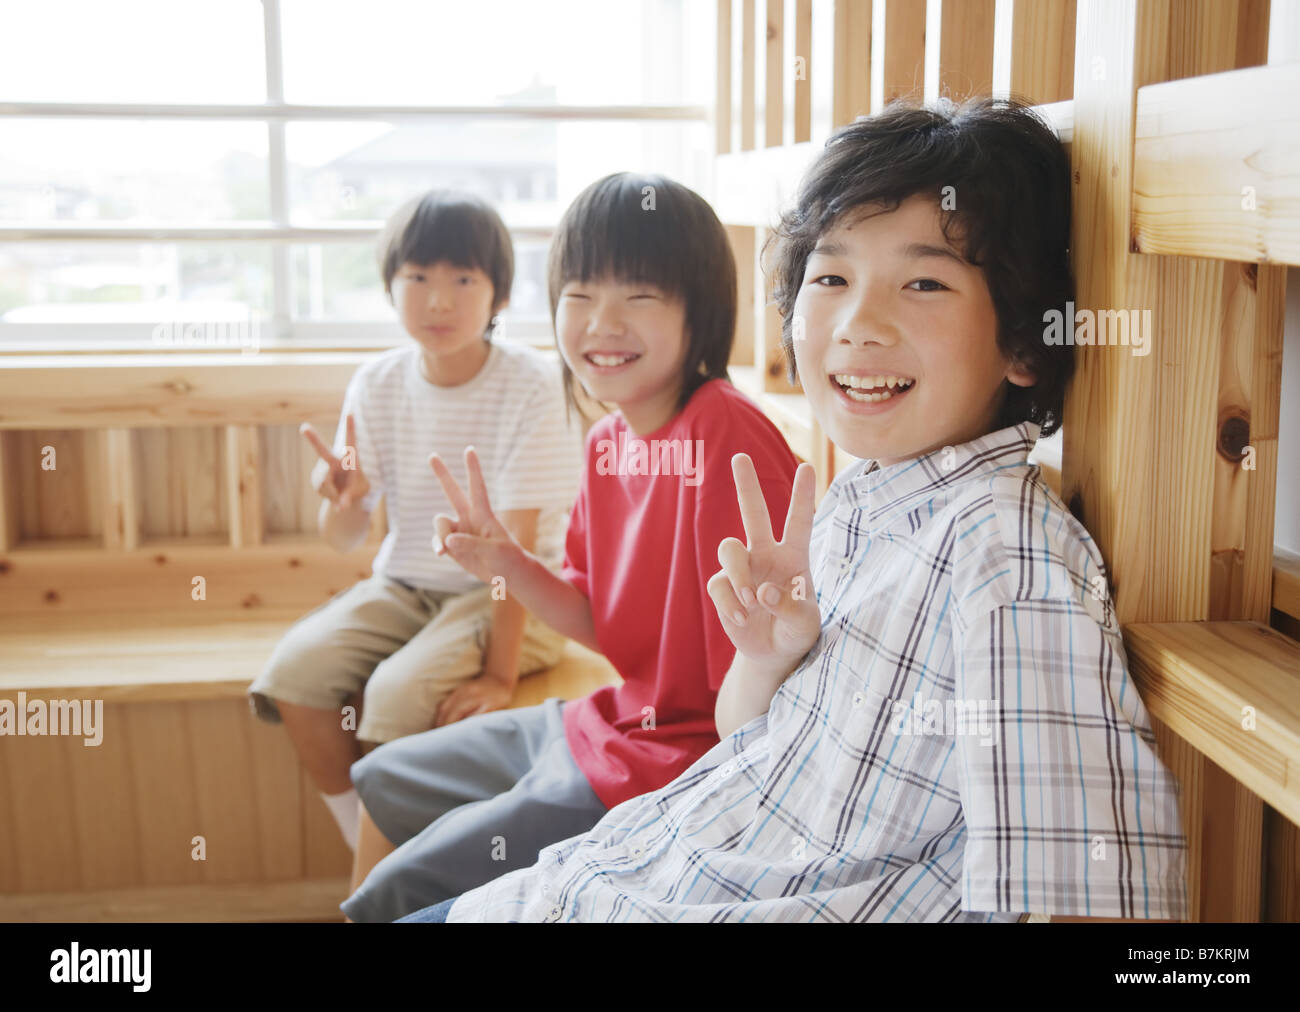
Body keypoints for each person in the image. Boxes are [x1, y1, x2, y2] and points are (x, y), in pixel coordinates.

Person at [402, 97, 1188, 922]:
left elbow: (1084, 893)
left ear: (1024, 344)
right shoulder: (858, 503)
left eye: (924, 281)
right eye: (832, 278)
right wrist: (767, 656)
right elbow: (750, 741)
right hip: (649, 865)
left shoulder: (1005, 554)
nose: (858, 323)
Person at [339, 172, 803, 922]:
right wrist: (504, 565)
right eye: (580, 296)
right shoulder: (605, 443)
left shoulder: (725, 433)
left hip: (672, 766)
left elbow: (757, 707)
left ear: (702, 313)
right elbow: (595, 619)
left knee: (398, 889)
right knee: (384, 776)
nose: (601, 323)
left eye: (640, 297)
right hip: (610, 718)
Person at [247, 190, 579, 852]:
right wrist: (341, 503)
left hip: (515, 597)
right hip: (406, 585)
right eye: (418, 277)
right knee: (294, 671)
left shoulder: (532, 382)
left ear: (500, 296)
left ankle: (389, 879)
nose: (438, 300)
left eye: (463, 279)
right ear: (390, 286)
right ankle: (370, 861)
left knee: (394, 694)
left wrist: (499, 675)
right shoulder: (377, 383)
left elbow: (509, 552)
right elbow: (346, 538)